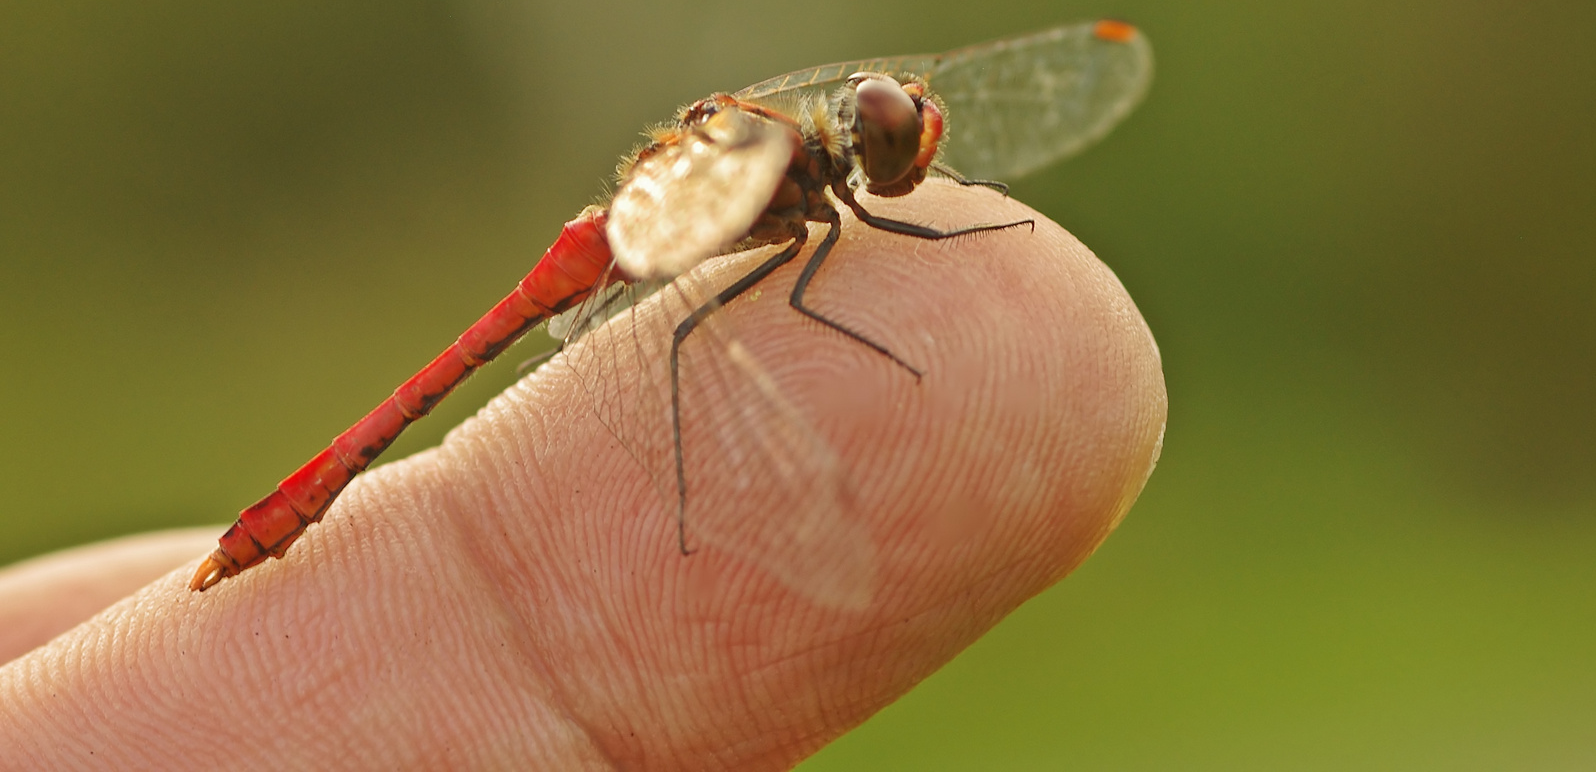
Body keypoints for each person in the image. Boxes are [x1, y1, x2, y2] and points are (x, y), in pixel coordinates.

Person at [0, 185, 1166, 769]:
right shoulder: (791, 183)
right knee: (698, 332)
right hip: (598, 253)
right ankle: (278, 523)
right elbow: (794, 300)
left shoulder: (797, 165)